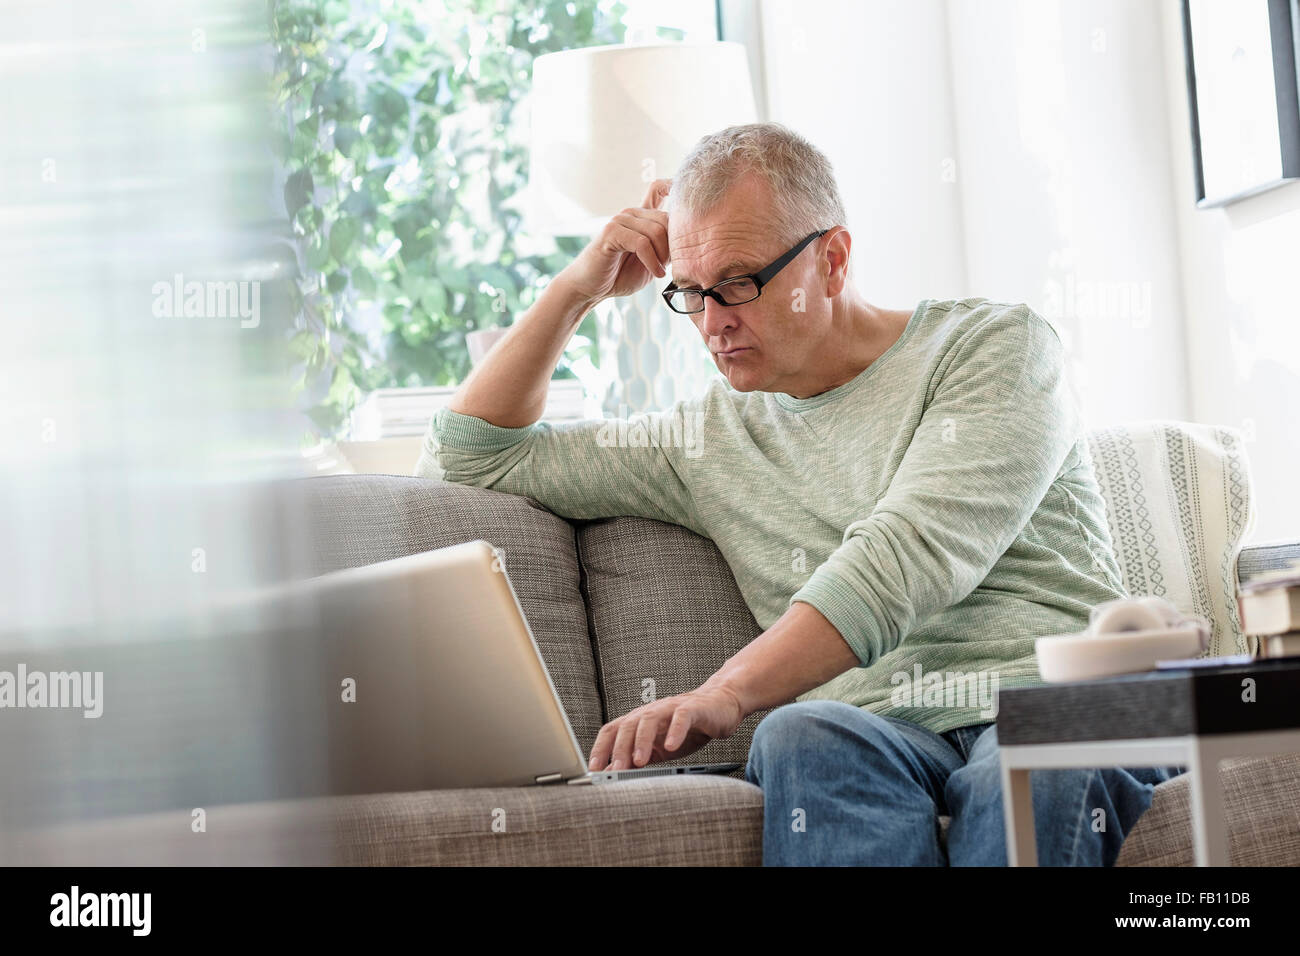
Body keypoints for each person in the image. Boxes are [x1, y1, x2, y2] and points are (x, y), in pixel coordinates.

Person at [416, 122, 1183, 865]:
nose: (713, 323)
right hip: (878, 731)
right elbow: (471, 454)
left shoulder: (997, 349)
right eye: (689, 293)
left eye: (739, 284)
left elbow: (906, 557)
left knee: (1032, 758)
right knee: (800, 734)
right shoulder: (703, 441)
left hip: (1044, 699)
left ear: (834, 259)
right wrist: (579, 288)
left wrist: (726, 693)